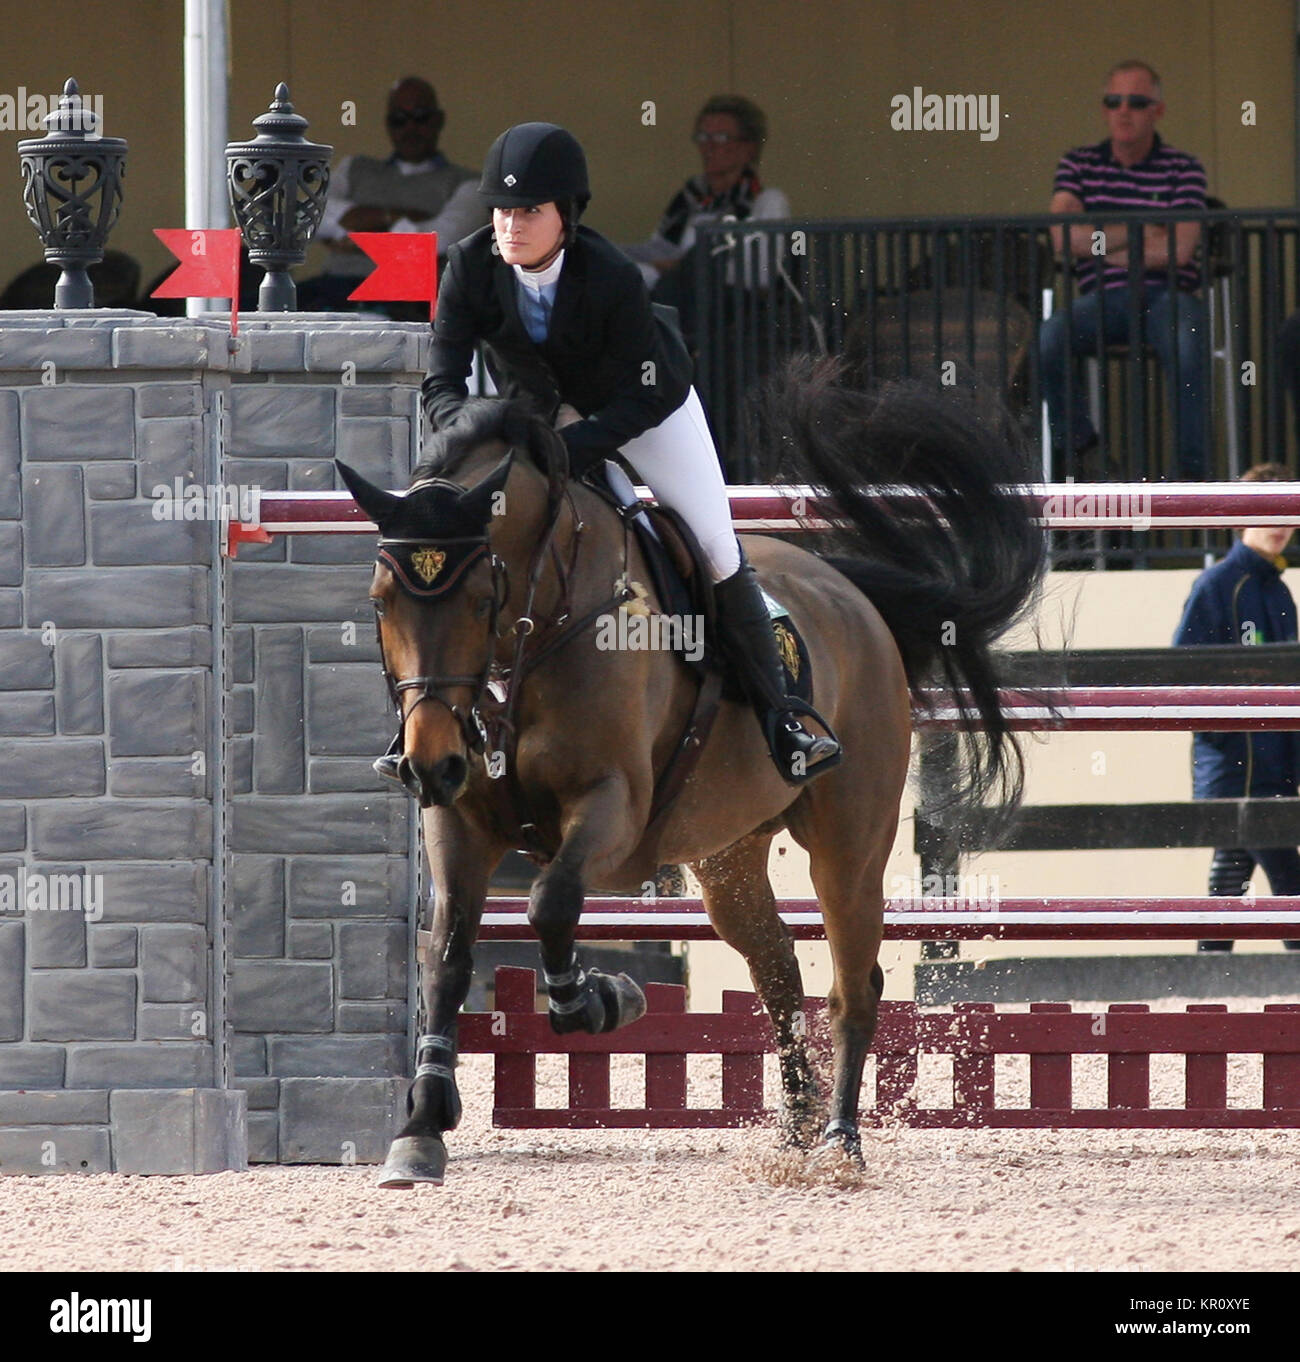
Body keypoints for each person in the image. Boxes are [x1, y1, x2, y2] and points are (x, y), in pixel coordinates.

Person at [374, 121, 839, 789]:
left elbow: (641, 400)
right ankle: (419, 723)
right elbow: (442, 384)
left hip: (644, 410)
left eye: (529, 211)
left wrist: (569, 445)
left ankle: (783, 718)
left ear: (566, 216)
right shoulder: (469, 266)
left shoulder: (611, 275)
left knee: (714, 547)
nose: (510, 225)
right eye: (502, 210)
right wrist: (476, 430)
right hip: (535, 416)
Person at [1040, 60, 1210, 480]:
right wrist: (1143, 233)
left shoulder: (1184, 168)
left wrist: (1097, 240)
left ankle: (1191, 483)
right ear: (1104, 108)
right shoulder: (1078, 163)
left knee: (1188, 342)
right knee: (1049, 338)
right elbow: (1063, 239)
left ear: (1158, 111)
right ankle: (1086, 453)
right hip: (1104, 301)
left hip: (1167, 298)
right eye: (1114, 101)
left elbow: (1180, 249)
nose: (1124, 111)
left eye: (1137, 101)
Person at [1173, 462, 1300, 951]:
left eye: (1287, 512)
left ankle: (1207, 979)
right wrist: (1226, 739)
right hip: (1237, 766)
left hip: (1273, 767)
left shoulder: (1279, 589)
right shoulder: (1217, 586)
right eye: (1269, 511)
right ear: (1241, 516)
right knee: (1286, 877)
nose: (1280, 525)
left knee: (1231, 873)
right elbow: (1184, 672)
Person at [297, 77, 488, 313]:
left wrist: (355, 232)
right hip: (334, 289)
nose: (410, 128)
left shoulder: (469, 183)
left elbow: (438, 244)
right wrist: (397, 217)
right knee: (256, 308)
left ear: (438, 120)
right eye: (398, 120)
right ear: (388, 124)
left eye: (420, 117)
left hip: (406, 300)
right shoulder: (354, 167)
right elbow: (307, 219)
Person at [623, 95, 789, 347]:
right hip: (670, 297)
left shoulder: (767, 201)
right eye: (702, 137)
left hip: (729, 315)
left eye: (721, 138)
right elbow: (656, 250)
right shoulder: (689, 198)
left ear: (749, 147)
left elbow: (761, 276)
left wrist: (687, 265)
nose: (708, 147)